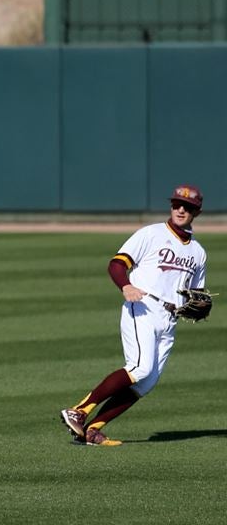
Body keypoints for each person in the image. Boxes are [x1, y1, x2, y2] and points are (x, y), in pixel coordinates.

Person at [60, 185, 209, 446]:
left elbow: (196, 292)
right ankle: (79, 411)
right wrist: (126, 286)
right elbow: (117, 264)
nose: (181, 209)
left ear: (197, 211)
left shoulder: (198, 252)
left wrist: (201, 305)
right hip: (142, 306)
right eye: (176, 204)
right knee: (139, 368)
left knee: (146, 383)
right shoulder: (151, 234)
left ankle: (93, 430)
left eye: (187, 206)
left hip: (170, 319)